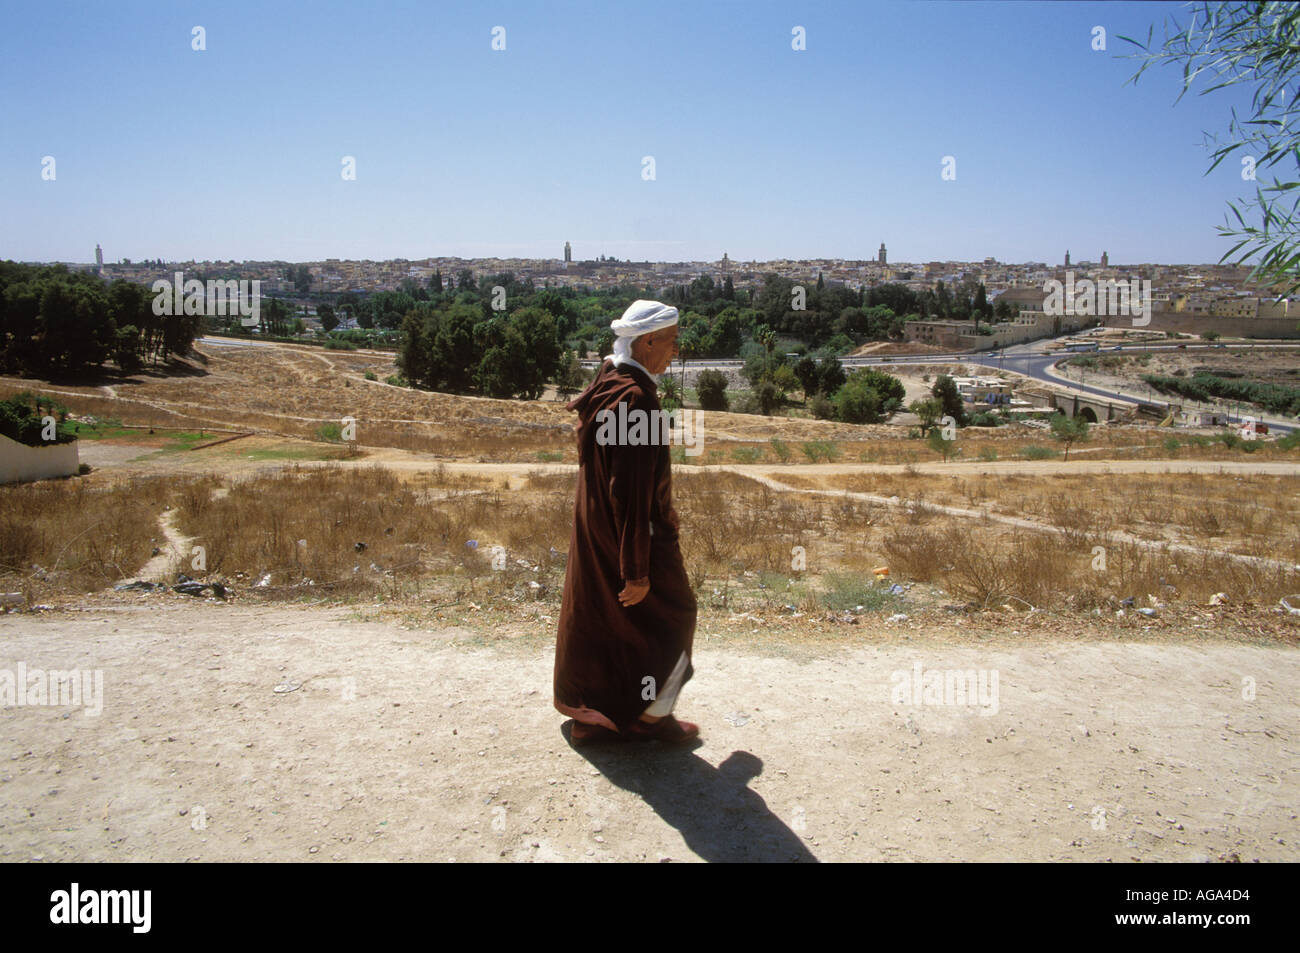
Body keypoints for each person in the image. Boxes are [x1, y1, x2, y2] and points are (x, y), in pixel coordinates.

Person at [554, 300, 699, 744]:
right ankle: (651, 717)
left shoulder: (611, 379)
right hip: (633, 534)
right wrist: (636, 568)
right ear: (648, 341)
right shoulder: (635, 399)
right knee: (676, 615)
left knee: (604, 617)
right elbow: (631, 489)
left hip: (597, 525)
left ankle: (591, 715)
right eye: (671, 342)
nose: (675, 352)